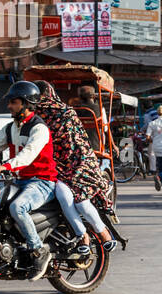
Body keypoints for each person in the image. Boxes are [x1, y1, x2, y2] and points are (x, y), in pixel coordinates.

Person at [0, 81, 57, 280]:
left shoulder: (39, 128)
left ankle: (38, 251)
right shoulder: (10, 128)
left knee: (18, 208)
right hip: (18, 180)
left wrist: (7, 166)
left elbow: (29, 154)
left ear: (27, 104)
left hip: (41, 182)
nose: (9, 106)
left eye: (14, 102)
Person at [34, 81, 118, 254]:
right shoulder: (33, 116)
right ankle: (82, 235)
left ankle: (103, 233)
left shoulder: (67, 112)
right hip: (55, 166)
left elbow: (77, 144)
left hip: (80, 162)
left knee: (81, 202)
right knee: (63, 196)